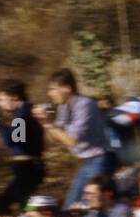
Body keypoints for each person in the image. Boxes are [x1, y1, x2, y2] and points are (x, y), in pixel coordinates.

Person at [35, 69, 113, 209]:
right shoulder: (63, 107)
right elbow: (55, 139)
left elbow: (71, 140)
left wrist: (48, 123)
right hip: (86, 162)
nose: (49, 94)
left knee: (89, 207)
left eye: (53, 89)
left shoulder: (85, 104)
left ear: (67, 88)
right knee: (69, 207)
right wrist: (43, 122)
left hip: (100, 159)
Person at [0, 81, 45, 214]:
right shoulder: (23, 113)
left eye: (1, 99)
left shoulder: (23, 113)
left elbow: (14, 139)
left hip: (28, 168)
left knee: (3, 203)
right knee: (26, 205)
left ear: (14, 97)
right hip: (28, 167)